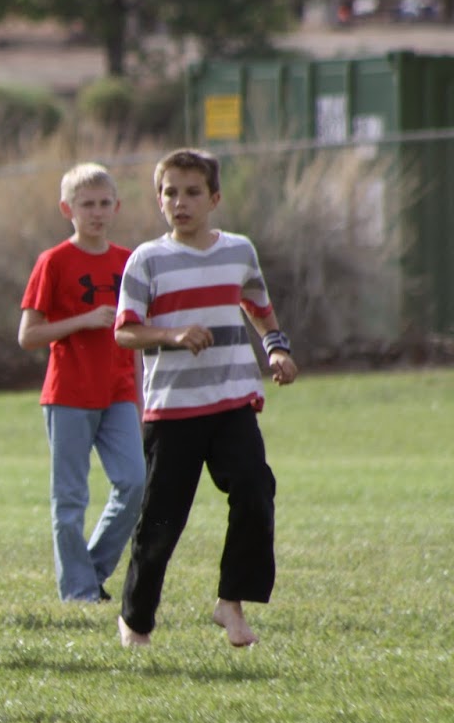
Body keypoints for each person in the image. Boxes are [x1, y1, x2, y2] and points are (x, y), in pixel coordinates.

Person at [113, 148, 298, 648]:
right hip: (173, 412)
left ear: (214, 198)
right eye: (170, 192)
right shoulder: (147, 260)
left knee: (256, 490)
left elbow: (259, 307)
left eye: (192, 192)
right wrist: (172, 336)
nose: (181, 202)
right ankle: (136, 622)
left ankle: (231, 604)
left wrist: (275, 351)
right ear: (158, 200)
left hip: (233, 401)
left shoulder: (238, 251)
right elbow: (125, 332)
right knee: (162, 521)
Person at [18, 163, 143, 603]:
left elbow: (139, 337)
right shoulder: (53, 262)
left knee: (134, 483)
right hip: (68, 395)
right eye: (86, 204)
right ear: (66, 208)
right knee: (70, 500)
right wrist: (84, 321)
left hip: (119, 393)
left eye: (104, 203)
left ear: (117, 206)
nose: (96, 212)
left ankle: (88, 572)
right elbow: (28, 335)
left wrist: (142, 398)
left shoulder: (130, 262)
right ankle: (79, 592)